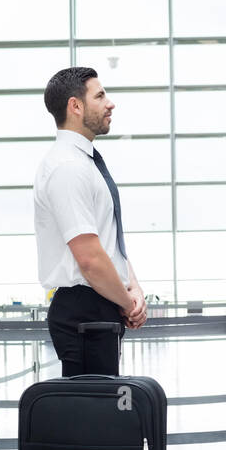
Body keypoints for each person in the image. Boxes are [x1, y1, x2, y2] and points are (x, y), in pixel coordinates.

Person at [35, 66, 147, 375]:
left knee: (101, 414)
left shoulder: (85, 162)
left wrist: (132, 289)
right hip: (84, 309)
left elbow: (106, 240)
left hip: (99, 303)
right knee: (92, 418)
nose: (110, 103)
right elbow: (89, 258)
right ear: (75, 106)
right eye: (100, 95)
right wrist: (126, 301)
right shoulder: (67, 166)